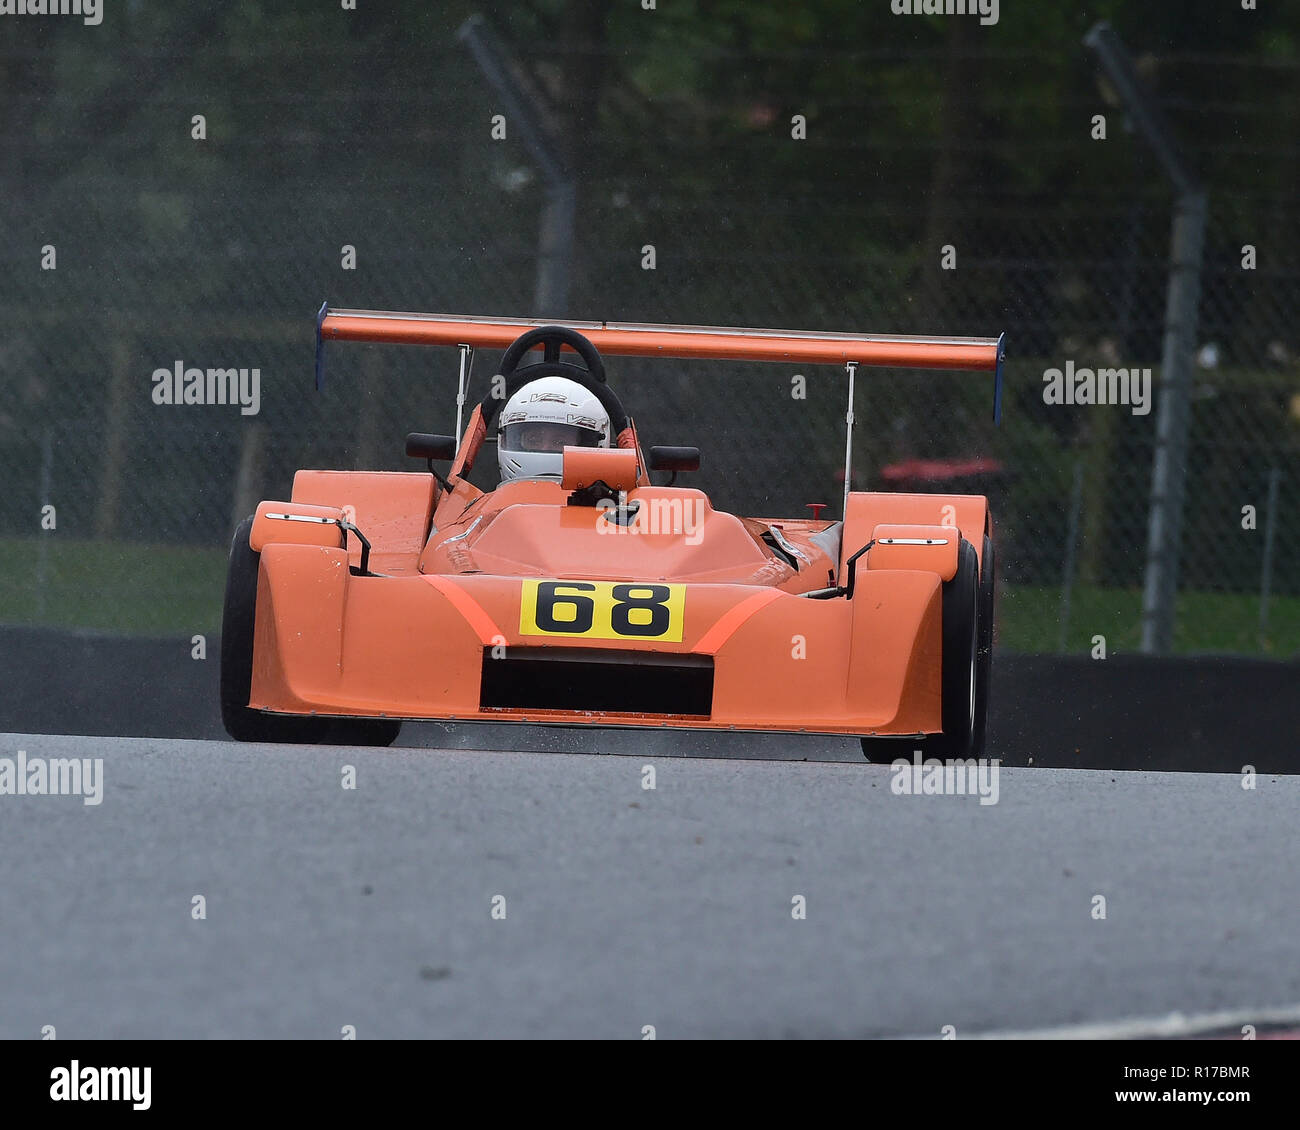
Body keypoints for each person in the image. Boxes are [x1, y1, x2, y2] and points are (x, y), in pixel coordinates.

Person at [496, 376, 611, 482]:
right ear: (506, 440)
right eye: (533, 440)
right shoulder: (483, 504)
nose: (545, 448)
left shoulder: (617, 504)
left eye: (560, 442)